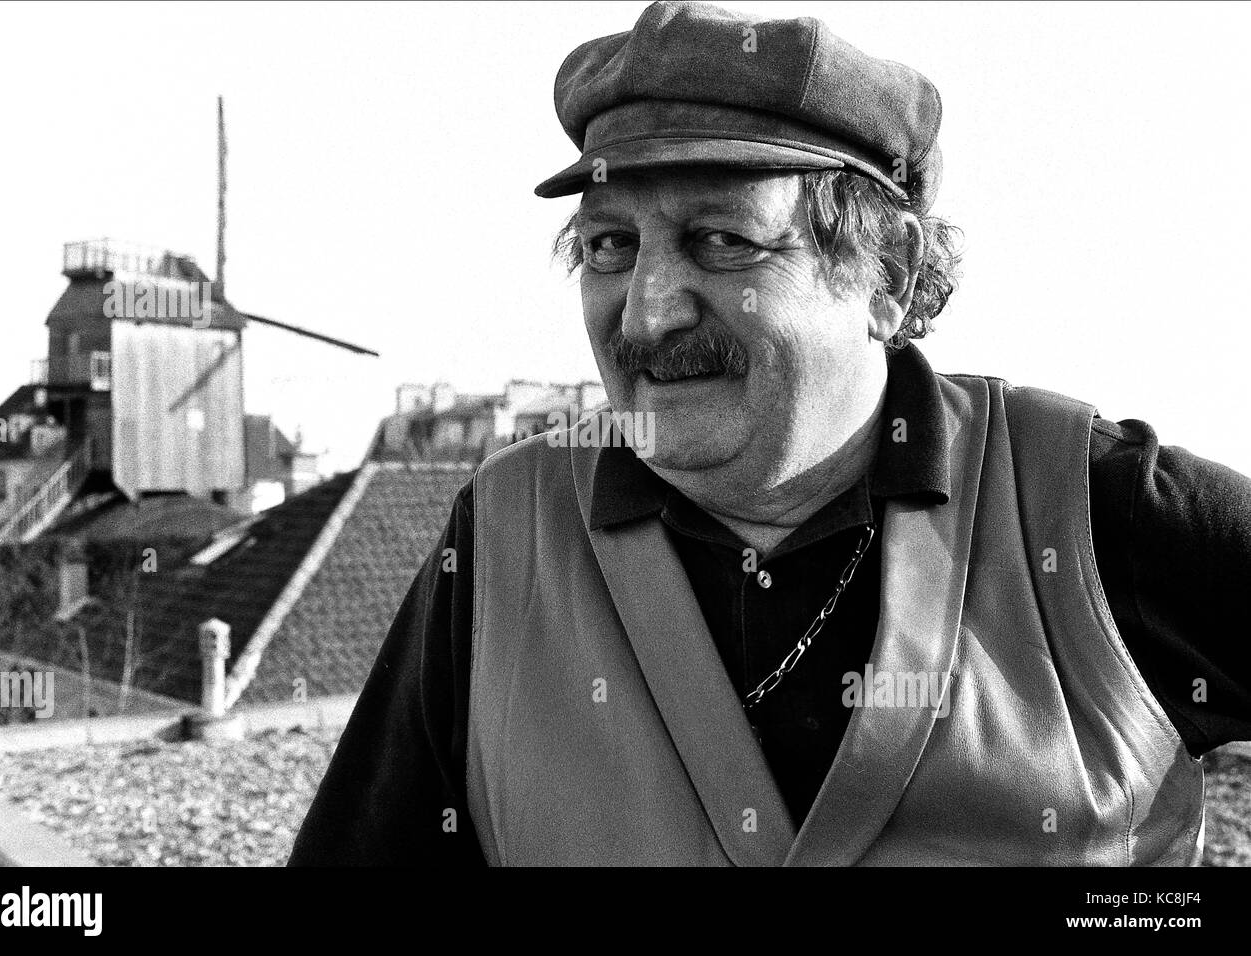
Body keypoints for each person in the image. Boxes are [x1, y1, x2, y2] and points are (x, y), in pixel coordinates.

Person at [289, 0, 1251, 866]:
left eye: (723, 241)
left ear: (889, 276)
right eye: (610, 247)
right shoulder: (501, 534)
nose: (648, 314)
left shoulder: (1090, 510)